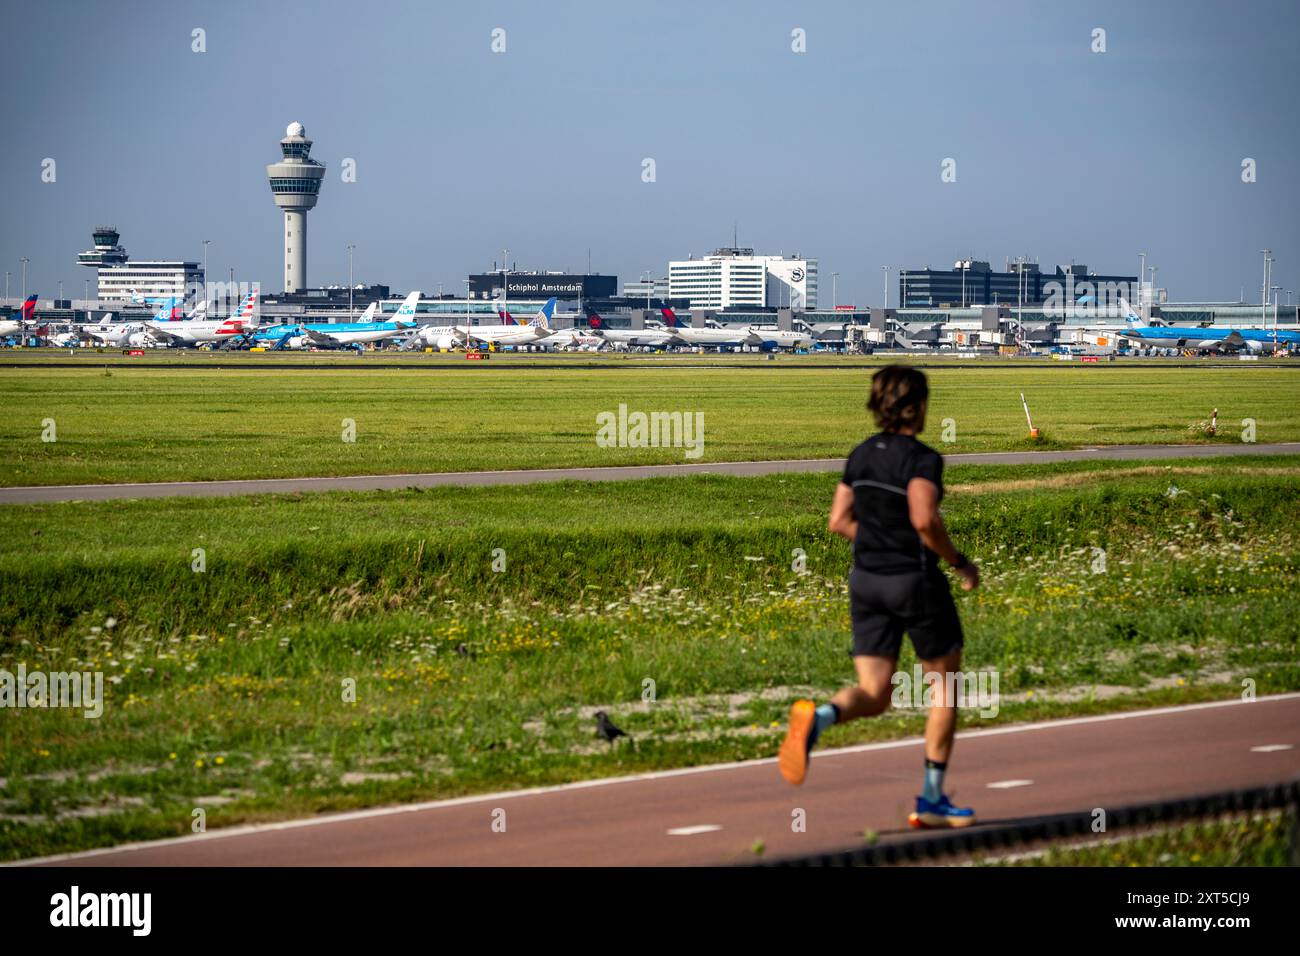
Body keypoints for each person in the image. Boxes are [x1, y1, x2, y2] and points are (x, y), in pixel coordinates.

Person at [778, 364, 980, 828]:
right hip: (915, 581)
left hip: (867, 580)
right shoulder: (922, 458)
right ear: (918, 406)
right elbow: (925, 518)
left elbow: (838, 520)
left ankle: (819, 719)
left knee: (875, 692)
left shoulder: (860, 455)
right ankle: (931, 799)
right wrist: (959, 563)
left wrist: (875, 544)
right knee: (944, 688)